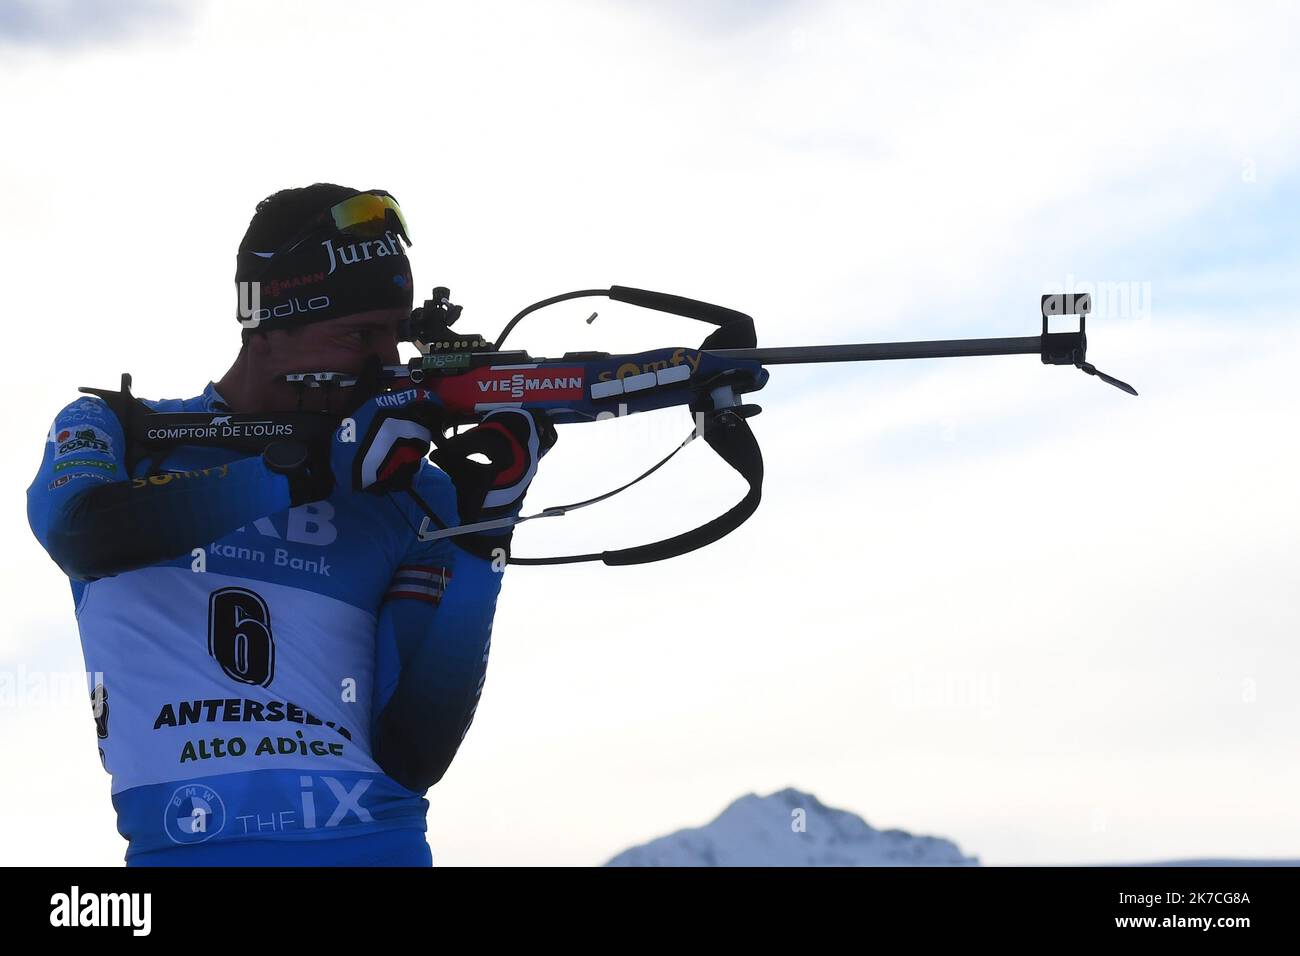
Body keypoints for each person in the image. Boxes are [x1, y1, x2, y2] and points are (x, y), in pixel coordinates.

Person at [26, 183, 553, 866]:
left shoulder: (411, 488)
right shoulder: (117, 433)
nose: (386, 362)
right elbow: (82, 536)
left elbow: (414, 752)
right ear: (266, 332)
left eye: (397, 333)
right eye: (359, 335)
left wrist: (484, 540)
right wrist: (305, 471)